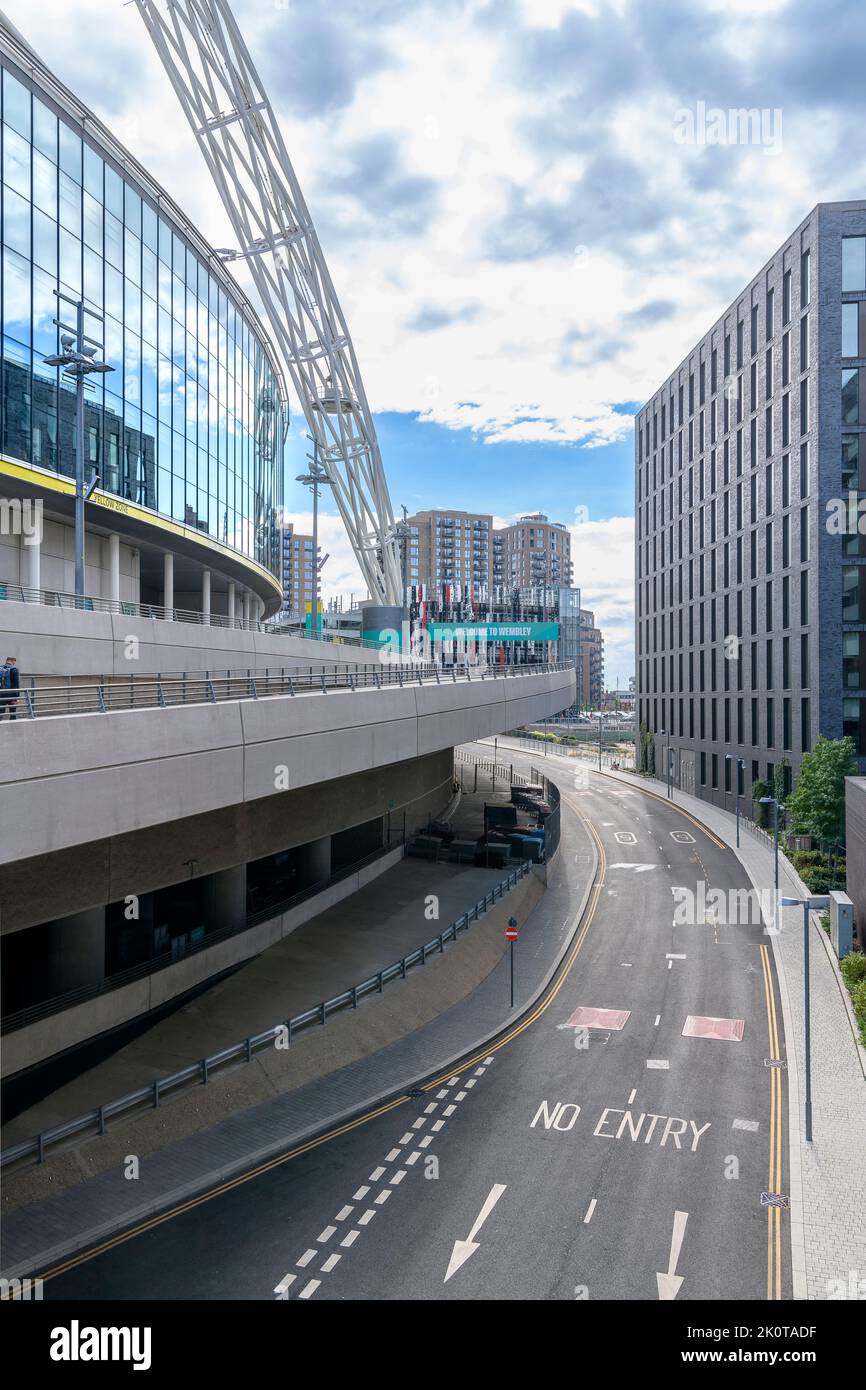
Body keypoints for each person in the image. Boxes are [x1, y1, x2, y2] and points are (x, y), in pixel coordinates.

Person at [1, 656, 20, 720]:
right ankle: (13, 727)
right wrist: (16, 697)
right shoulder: (14, 669)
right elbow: (16, 685)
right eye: (14, 662)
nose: (14, 663)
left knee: (1, 711)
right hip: (11, 694)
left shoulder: (0, 668)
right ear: (13, 661)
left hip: (1, 694)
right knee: (12, 712)